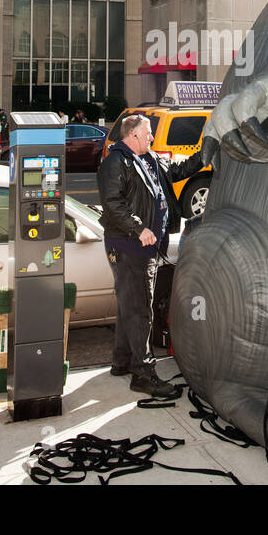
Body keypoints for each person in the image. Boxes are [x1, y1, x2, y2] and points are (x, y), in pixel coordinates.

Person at [97, 114, 205, 397]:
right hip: (129, 246)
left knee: (128, 305)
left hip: (144, 246)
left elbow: (179, 170)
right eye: (148, 133)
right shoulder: (115, 163)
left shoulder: (150, 159)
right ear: (133, 135)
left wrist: (206, 152)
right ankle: (143, 374)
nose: (152, 138)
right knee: (141, 309)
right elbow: (112, 204)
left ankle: (122, 362)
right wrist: (139, 228)